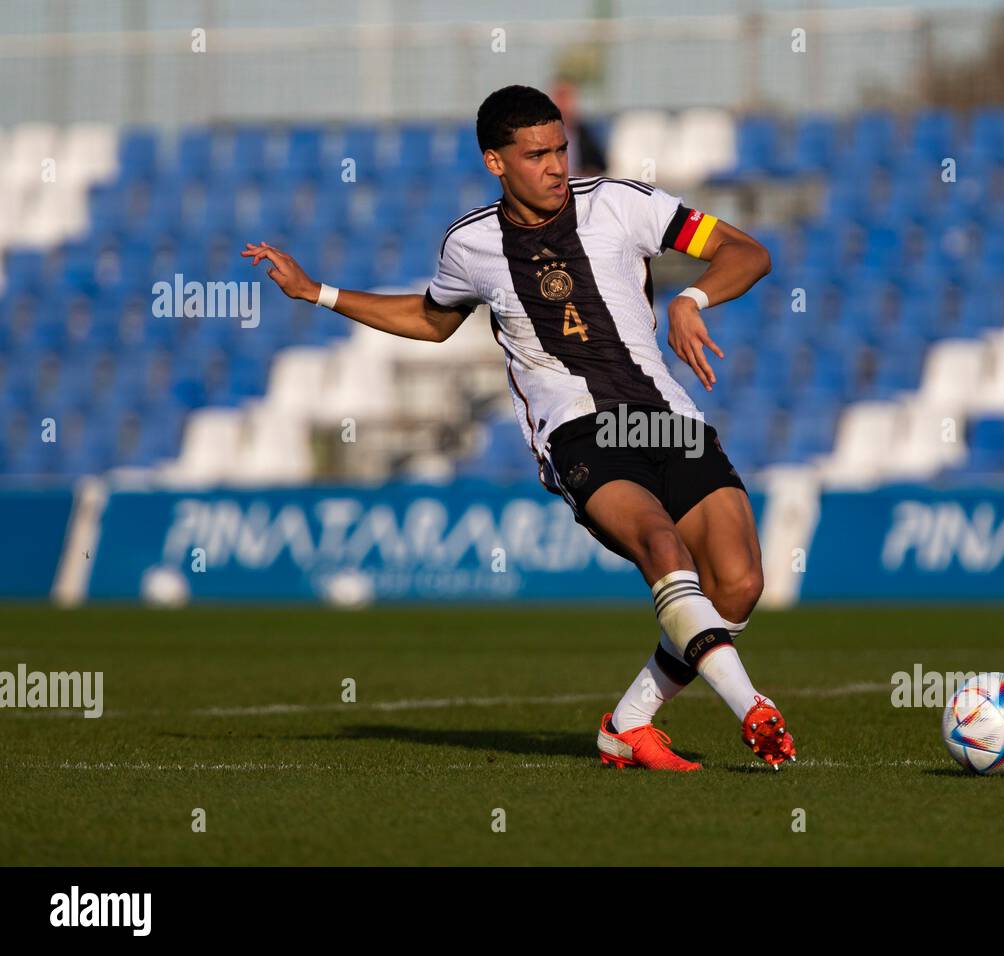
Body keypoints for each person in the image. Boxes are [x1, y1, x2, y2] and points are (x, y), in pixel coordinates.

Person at [243, 85, 795, 770]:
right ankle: (755, 711)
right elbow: (431, 320)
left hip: (668, 419)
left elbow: (747, 250)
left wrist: (691, 295)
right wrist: (316, 292)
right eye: (536, 154)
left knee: (739, 584)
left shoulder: (623, 203)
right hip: (580, 430)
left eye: (560, 148)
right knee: (661, 542)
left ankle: (628, 723)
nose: (556, 165)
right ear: (495, 163)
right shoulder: (471, 244)